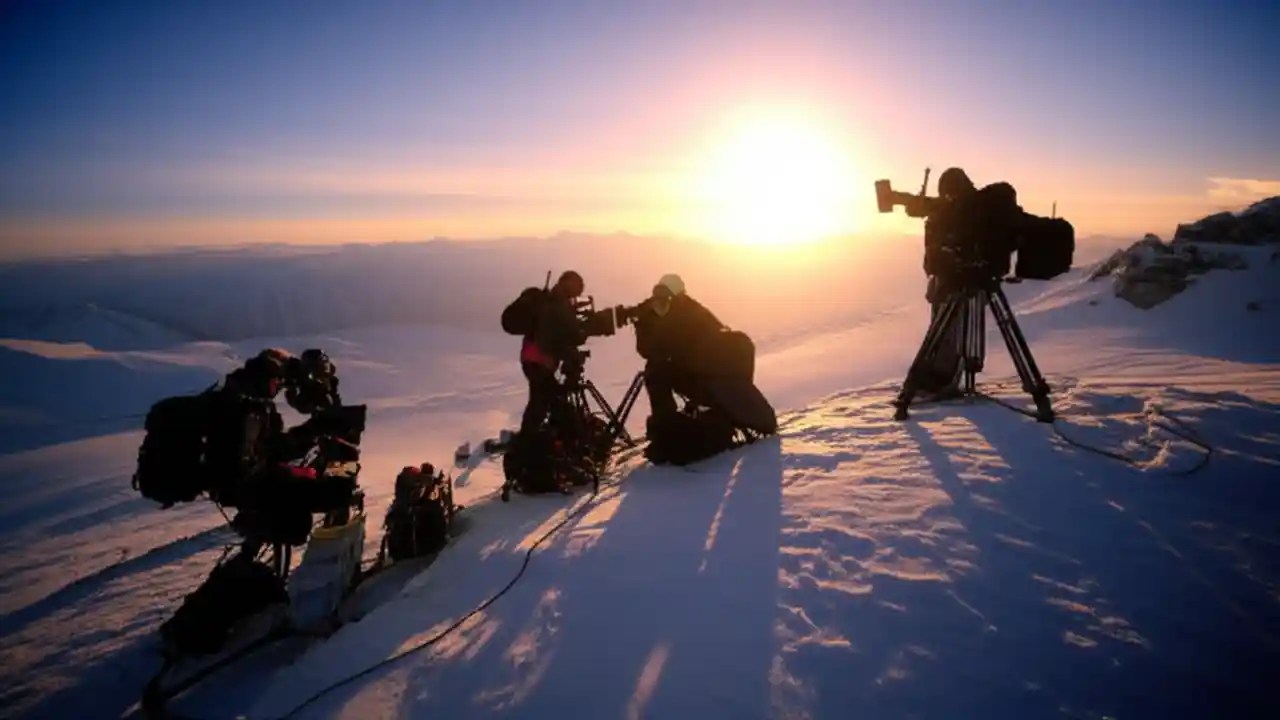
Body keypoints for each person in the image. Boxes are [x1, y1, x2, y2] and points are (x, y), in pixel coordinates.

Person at [634, 273, 731, 423]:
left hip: (695, 370)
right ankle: (669, 425)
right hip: (690, 369)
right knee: (656, 373)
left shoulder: (689, 310)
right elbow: (646, 348)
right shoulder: (675, 309)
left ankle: (668, 426)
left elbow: (712, 333)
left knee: (656, 376)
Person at [518, 270, 586, 436]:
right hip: (540, 362)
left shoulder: (550, 300)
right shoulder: (558, 305)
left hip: (531, 359)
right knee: (541, 403)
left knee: (544, 400)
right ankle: (527, 443)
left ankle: (537, 440)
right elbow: (560, 338)